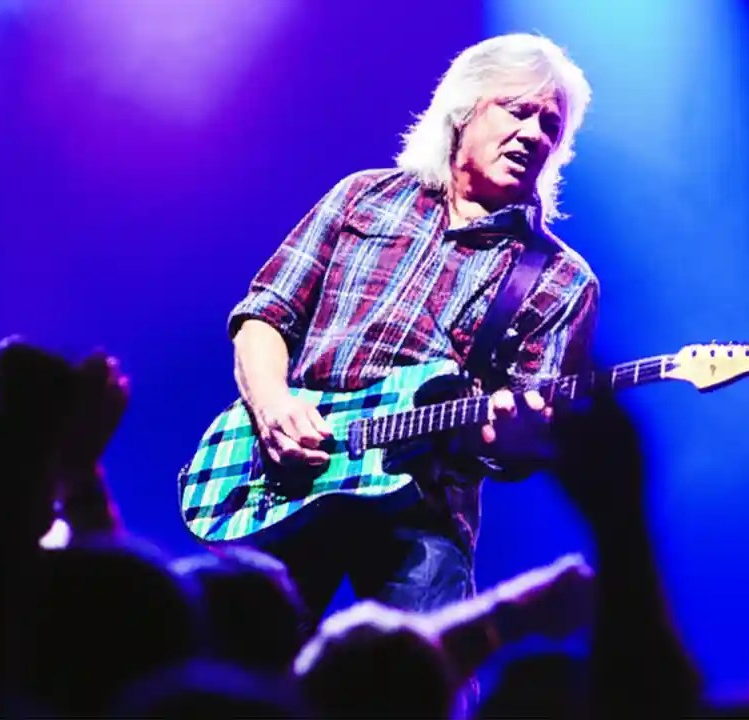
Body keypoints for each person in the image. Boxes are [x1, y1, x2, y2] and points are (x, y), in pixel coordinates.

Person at [226, 32, 597, 622]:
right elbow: (264, 314)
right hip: (288, 476)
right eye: (517, 111)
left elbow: (517, 449)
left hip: (423, 508)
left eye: (550, 126)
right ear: (463, 110)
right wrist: (273, 407)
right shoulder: (363, 197)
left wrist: (515, 432)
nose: (534, 134)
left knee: (425, 677)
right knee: (233, 665)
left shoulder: (560, 278)